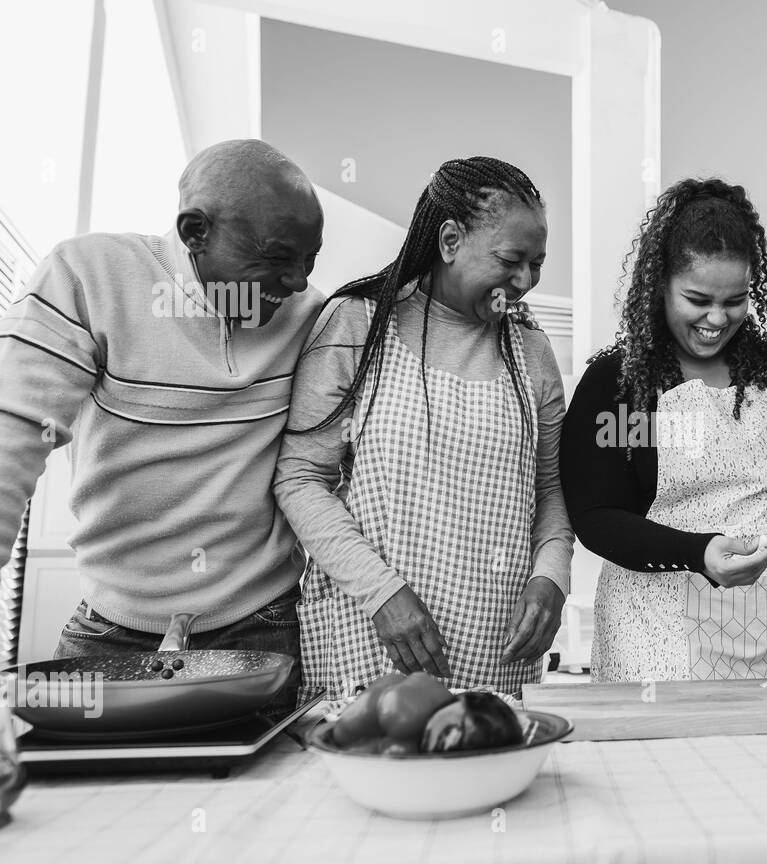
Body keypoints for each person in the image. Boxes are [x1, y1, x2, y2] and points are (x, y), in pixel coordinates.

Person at [0, 140, 324, 716]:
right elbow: (16, 430)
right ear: (196, 230)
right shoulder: (89, 278)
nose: (298, 282)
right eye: (278, 257)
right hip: (112, 626)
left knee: (263, 799)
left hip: (263, 630)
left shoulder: (310, 318)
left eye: (309, 261)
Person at [275, 157, 572, 700]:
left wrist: (552, 576)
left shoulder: (533, 353)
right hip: (369, 636)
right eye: (511, 260)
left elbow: (550, 490)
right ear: (451, 240)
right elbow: (299, 478)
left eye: (537, 264)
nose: (525, 282)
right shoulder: (356, 326)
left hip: (495, 646)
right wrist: (383, 594)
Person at [560, 178, 767, 684]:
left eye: (735, 300)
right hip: (659, 639)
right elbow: (597, 515)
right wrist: (696, 552)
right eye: (697, 299)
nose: (717, 319)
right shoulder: (620, 384)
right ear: (659, 285)